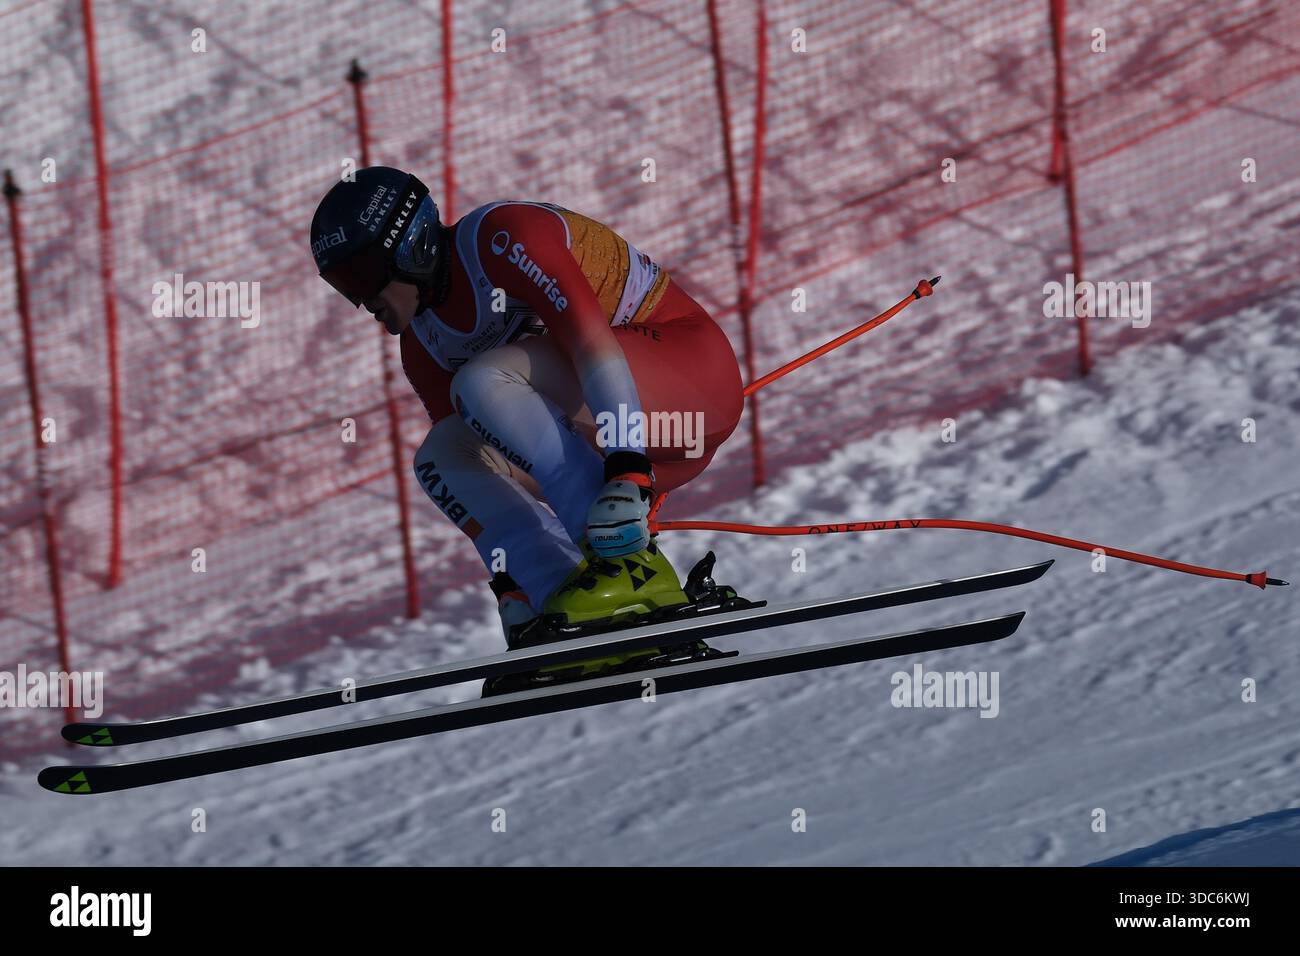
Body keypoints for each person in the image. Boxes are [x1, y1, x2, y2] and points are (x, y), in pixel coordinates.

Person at [310, 166, 744, 646]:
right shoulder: (422, 345)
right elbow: (499, 465)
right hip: (629, 442)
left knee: (482, 380)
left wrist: (627, 468)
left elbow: (590, 343)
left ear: (413, 243)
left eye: (364, 275)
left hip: (694, 390)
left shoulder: (501, 238)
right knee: (441, 456)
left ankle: (628, 567)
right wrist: (511, 588)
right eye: (343, 285)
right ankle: (557, 595)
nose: (361, 300)